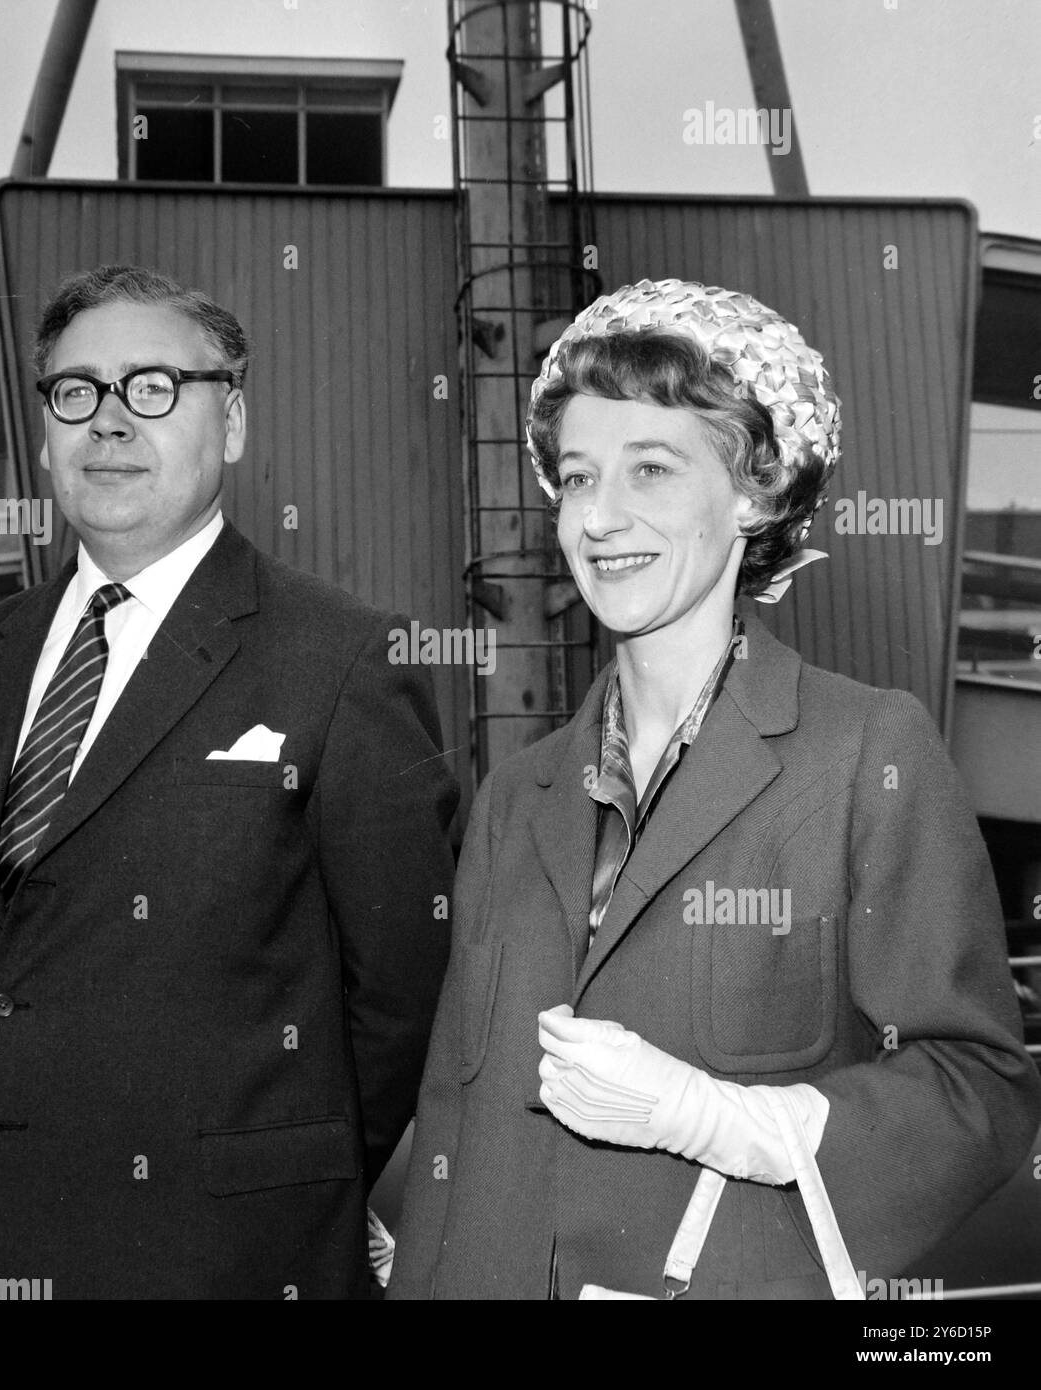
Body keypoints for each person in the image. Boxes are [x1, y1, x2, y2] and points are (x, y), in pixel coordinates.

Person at [388, 278, 1041, 1300]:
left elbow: (980, 1090)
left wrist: (724, 1120)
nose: (599, 518)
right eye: (576, 476)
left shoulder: (868, 751)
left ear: (757, 492)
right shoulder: (519, 794)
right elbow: (454, 1127)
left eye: (651, 468)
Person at [0, 265, 458, 1300]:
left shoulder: (342, 664)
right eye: (76, 390)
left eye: (153, 387)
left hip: (217, 1258)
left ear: (230, 423)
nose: (109, 421)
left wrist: (272, 1178)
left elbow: (406, 997)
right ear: (45, 425)